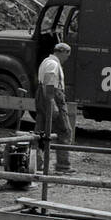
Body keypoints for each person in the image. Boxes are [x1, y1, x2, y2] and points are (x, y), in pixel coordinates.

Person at [35, 41, 74, 174]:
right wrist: (52, 103)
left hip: (43, 95)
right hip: (52, 95)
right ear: (62, 52)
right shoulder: (53, 64)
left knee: (41, 131)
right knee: (64, 131)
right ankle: (63, 165)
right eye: (67, 55)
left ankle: (37, 163)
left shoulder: (46, 61)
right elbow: (49, 83)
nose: (67, 58)